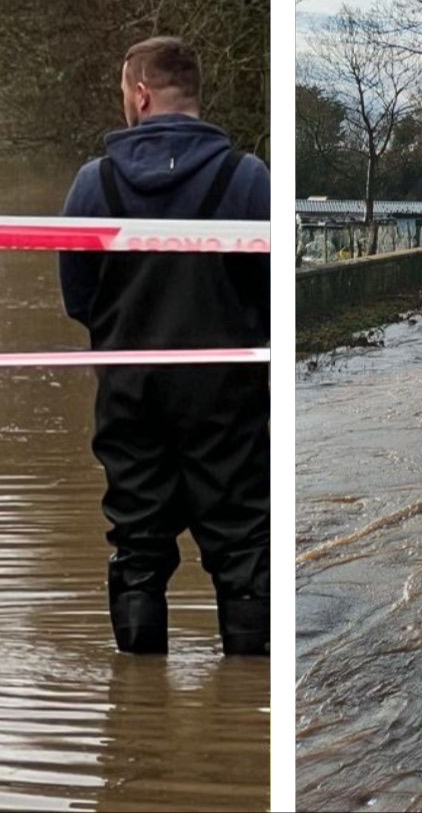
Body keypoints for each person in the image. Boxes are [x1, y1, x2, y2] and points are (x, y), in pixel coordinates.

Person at [58, 36, 269, 657]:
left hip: (129, 391)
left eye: (126, 92)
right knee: (242, 544)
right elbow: (268, 293)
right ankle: (247, 695)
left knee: (138, 545)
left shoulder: (93, 185)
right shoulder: (247, 178)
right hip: (227, 395)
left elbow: (79, 298)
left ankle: (137, 710)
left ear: (141, 94)